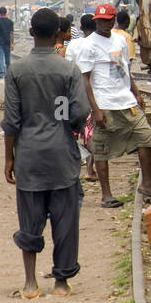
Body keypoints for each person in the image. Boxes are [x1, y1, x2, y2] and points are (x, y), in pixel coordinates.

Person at [2, 8, 90, 298]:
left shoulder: (17, 71)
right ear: (58, 34)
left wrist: (9, 158)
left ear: (30, 32)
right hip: (61, 153)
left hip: (28, 154)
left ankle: (29, 283)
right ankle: (62, 283)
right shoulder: (68, 70)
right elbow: (75, 113)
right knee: (65, 219)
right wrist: (66, 127)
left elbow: (12, 120)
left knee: (30, 219)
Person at [76, 3, 151, 207]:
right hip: (104, 103)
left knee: (145, 136)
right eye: (100, 21)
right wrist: (95, 109)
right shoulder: (88, 45)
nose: (104, 24)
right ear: (96, 21)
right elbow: (85, 79)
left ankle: (147, 184)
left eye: (107, 21)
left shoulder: (120, 41)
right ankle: (106, 195)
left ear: (114, 21)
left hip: (126, 101)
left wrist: (136, 92)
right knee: (101, 148)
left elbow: (123, 69)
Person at [66, 15, 98, 181]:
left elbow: (67, 67)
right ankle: (90, 170)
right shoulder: (95, 43)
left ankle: (73, 168)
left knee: (74, 133)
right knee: (91, 132)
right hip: (93, 94)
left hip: (74, 93)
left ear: (81, 26)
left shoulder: (74, 44)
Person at [0, 6, 14, 79]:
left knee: (0, 58)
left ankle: (2, 73)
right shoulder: (10, 22)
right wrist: (12, 43)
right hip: (7, 42)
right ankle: (9, 73)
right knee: (8, 58)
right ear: (6, 13)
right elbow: (12, 33)